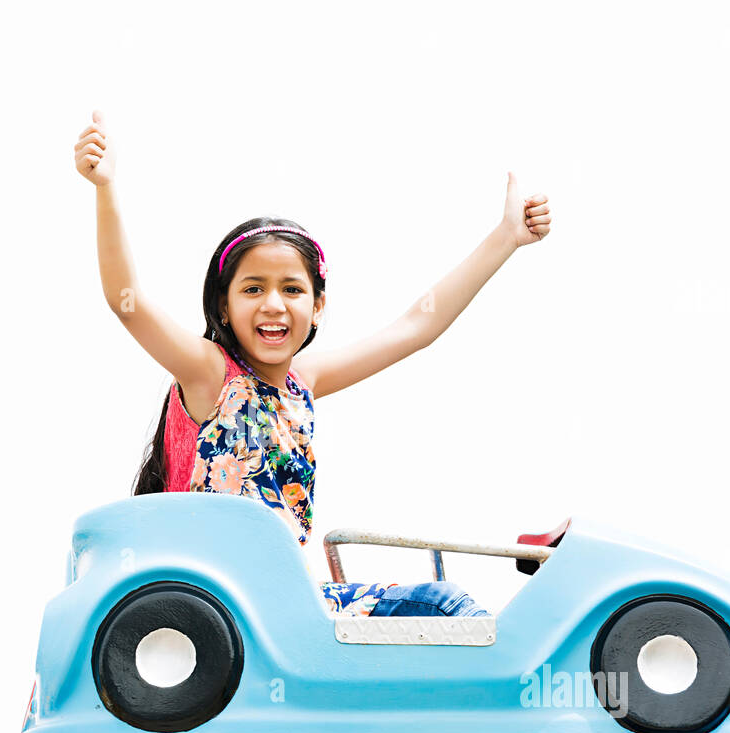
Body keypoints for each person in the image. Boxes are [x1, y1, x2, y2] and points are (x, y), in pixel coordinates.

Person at [74, 110, 550, 618]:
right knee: (443, 605)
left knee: (448, 609)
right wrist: (105, 190)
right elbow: (128, 303)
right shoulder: (209, 373)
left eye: (293, 290)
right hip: (219, 607)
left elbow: (417, 327)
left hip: (285, 605)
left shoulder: (304, 383)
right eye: (253, 289)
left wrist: (506, 238)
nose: (274, 305)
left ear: (317, 306)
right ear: (223, 307)